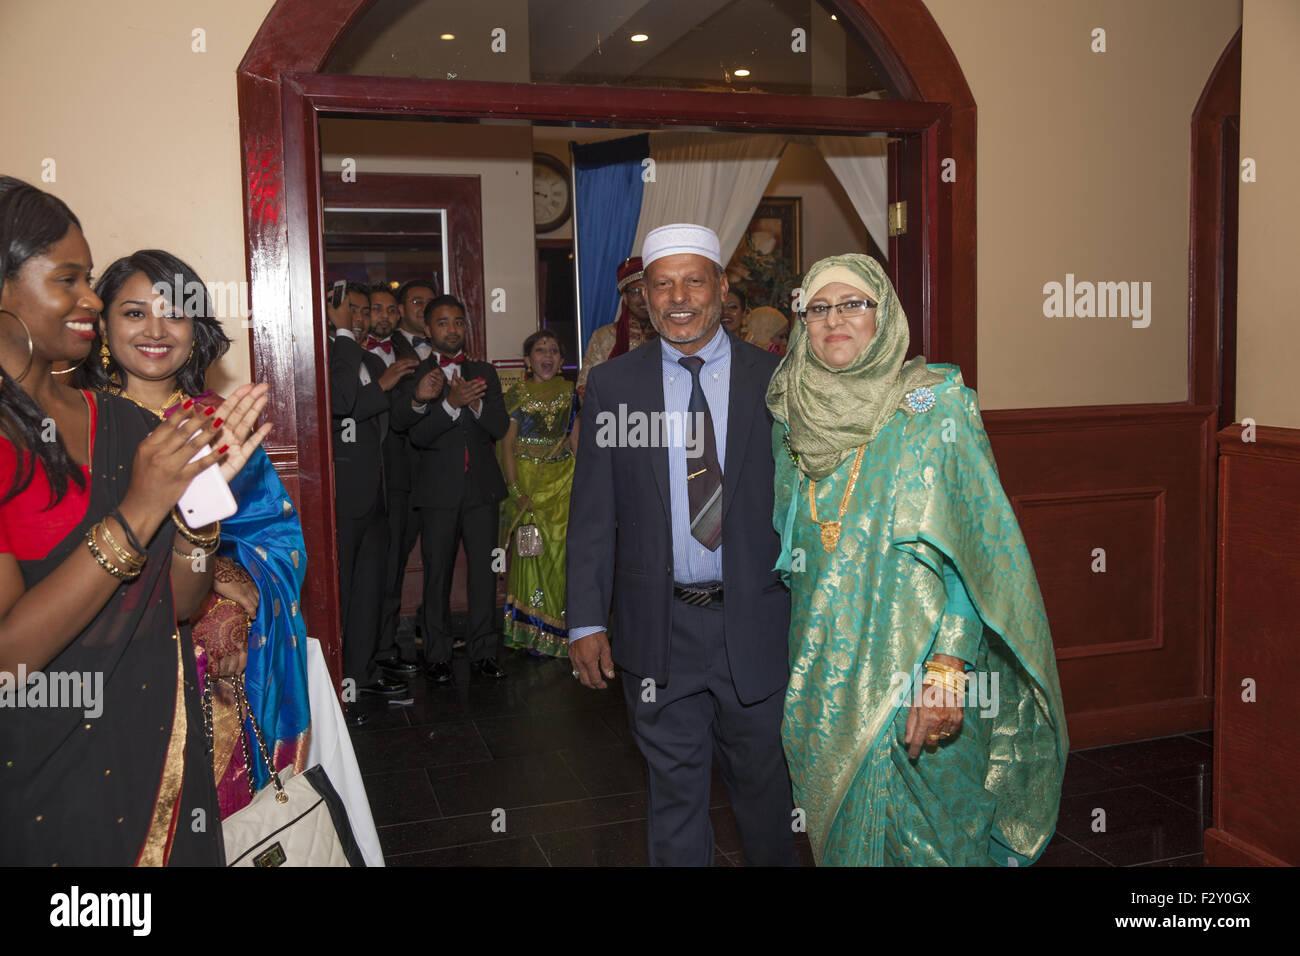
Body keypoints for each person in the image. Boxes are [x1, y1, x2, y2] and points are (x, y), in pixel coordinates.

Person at [0, 177, 270, 865]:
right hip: (48, 770)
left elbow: (177, 607)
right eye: (68, 279)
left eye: (89, 278)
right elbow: (9, 659)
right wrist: (142, 507)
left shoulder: (121, 423)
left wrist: (202, 504)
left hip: (163, 746)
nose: (92, 300)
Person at [766, 253, 1068, 865]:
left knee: (935, 836)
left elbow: (975, 552)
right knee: (839, 826)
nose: (834, 321)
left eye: (854, 305)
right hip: (822, 664)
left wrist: (948, 670)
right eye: (819, 308)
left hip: (920, 661)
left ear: (885, 316)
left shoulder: (936, 410)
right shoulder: (789, 414)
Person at [567, 223, 797, 866]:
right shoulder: (615, 387)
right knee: (673, 799)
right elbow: (591, 515)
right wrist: (586, 619)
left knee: (767, 797)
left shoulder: (777, 383)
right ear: (643, 297)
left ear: (723, 289)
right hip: (657, 628)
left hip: (756, 623)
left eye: (695, 280)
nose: (679, 298)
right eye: (662, 285)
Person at [75, 249, 312, 817]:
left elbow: (277, 540)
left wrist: (226, 586)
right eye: (134, 314)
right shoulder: (78, 423)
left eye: (174, 313)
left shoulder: (219, 423)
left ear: (196, 327)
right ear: (102, 324)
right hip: (107, 649)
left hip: (214, 674)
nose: (156, 331)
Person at [392, 294, 509, 683]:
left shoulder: (484, 373)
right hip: (437, 493)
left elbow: (499, 426)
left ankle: (482, 653)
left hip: (482, 492)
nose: (452, 329)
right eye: (443, 323)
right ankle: (438, 656)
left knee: (483, 576)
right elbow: (417, 435)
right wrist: (451, 405)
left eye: (459, 322)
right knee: (437, 574)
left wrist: (472, 404)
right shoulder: (416, 374)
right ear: (428, 329)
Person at [328, 280, 414, 705]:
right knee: (341, 597)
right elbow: (341, 401)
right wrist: (341, 334)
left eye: (365, 313)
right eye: (354, 311)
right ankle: (334, 684)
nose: (361, 320)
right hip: (340, 499)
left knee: (368, 595)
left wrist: (418, 398)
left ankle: (359, 678)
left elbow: (386, 416)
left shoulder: (366, 358)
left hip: (378, 494)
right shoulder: (328, 351)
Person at [501, 329, 577, 659]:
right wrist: (516, 491)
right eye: (540, 350)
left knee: (561, 558)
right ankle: (532, 633)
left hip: (564, 482)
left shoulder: (571, 393)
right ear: (528, 360)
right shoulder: (516, 393)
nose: (547, 355)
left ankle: (562, 632)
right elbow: (505, 446)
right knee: (531, 554)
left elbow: (574, 442)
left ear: (561, 361)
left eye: (554, 351)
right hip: (528, 484)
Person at [576, 256, 654, 399]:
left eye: (649, 290)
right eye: (636, 291)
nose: (644, 298)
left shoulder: (671, 336)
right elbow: (585, 388)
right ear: (624, 297)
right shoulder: (604, 336)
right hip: (616, 416)